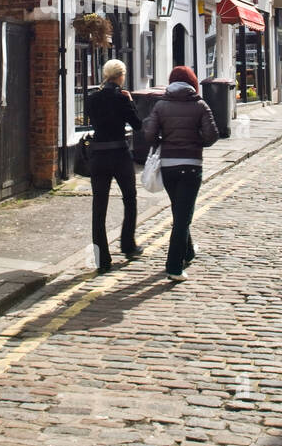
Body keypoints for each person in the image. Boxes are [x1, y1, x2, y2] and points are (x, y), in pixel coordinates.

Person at [144, 65, 219, 282]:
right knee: (182, 217)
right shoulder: (200, 105)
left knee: (180, 212)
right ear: (192, 82)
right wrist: (196, 142)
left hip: (168, 166)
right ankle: (174, 267)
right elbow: (212, 136)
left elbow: (149, 135)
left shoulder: (160, 105)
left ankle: (188, 252)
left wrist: (164, 142)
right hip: (191, 165)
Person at [87, 59, 143, 274]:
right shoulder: (122, 97)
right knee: (130, 198)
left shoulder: (93, 98)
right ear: (121, 76)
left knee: (99, 206)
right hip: (119, 154)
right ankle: (128, 245)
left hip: (98, 155)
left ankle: (101, 260)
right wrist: (129, 102)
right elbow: (137, 125)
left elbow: (95, 122)